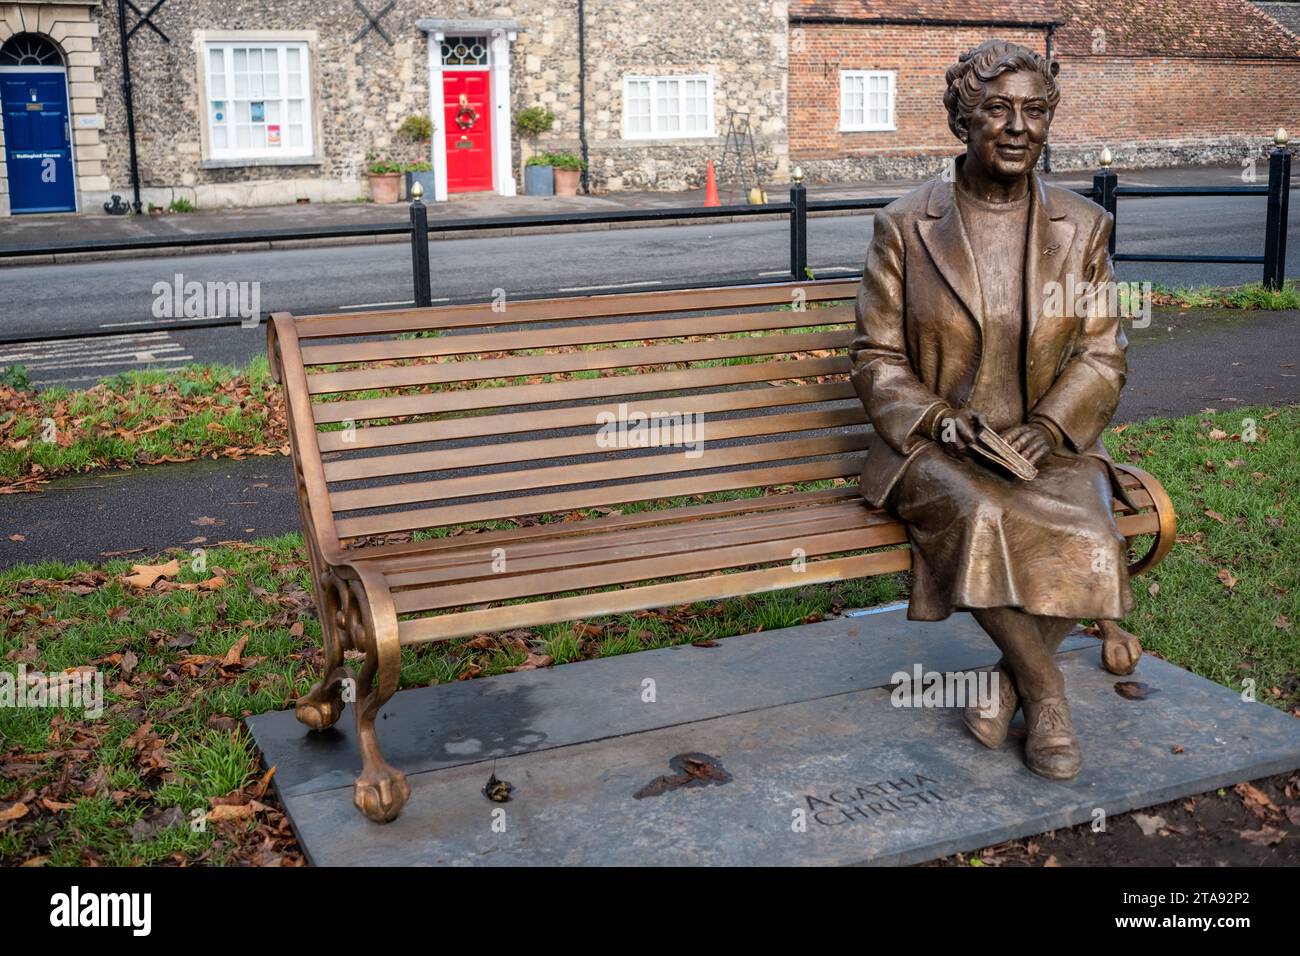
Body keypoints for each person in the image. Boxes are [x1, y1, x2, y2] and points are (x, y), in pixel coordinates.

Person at [850, 38, 1136, 779]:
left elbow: (1102, 354)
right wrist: (940, 420)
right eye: (997, 109)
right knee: (984, 518)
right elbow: (875, 357)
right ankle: (1045, 694)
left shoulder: (1083, 228)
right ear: (963, 120)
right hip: (932, 448)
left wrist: (1048, 428)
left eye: (1034, 111)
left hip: (1047, 445)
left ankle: (1002, 682)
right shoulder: (907, 225)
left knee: (1096, 529)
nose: (1017, 127)